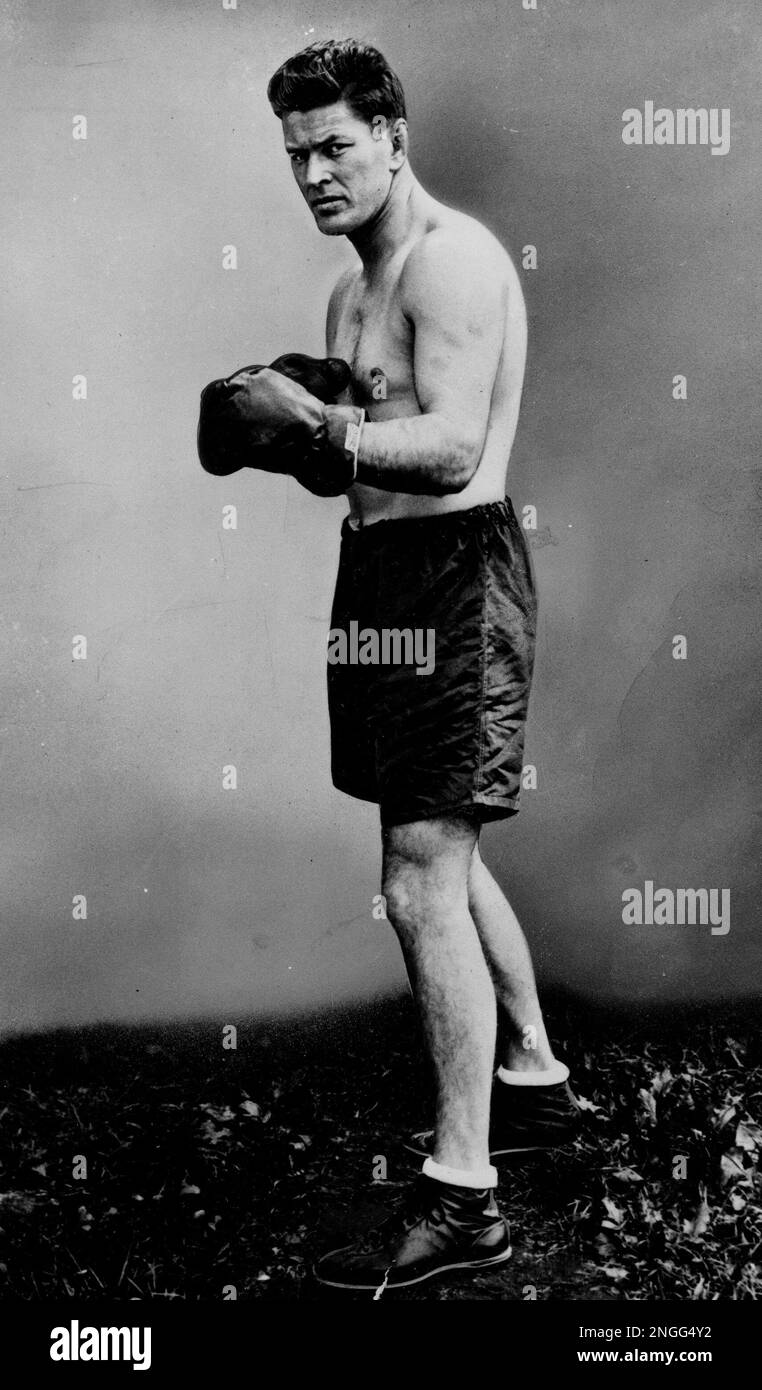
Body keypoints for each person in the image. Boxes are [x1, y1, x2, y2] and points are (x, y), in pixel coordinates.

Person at [265, 37, 579, 1292]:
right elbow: (356, 454)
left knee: (416, 876)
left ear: (394, 132)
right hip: (383, 583)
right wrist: (290, 431)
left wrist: (324, 425)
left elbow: (449, 451)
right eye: (295, 154)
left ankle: (464, 1198)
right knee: (437, 844)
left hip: (457, 583)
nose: (315, 173)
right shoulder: (349, 293)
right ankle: (536, 1083)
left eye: (336, 144)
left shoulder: (451, 263)